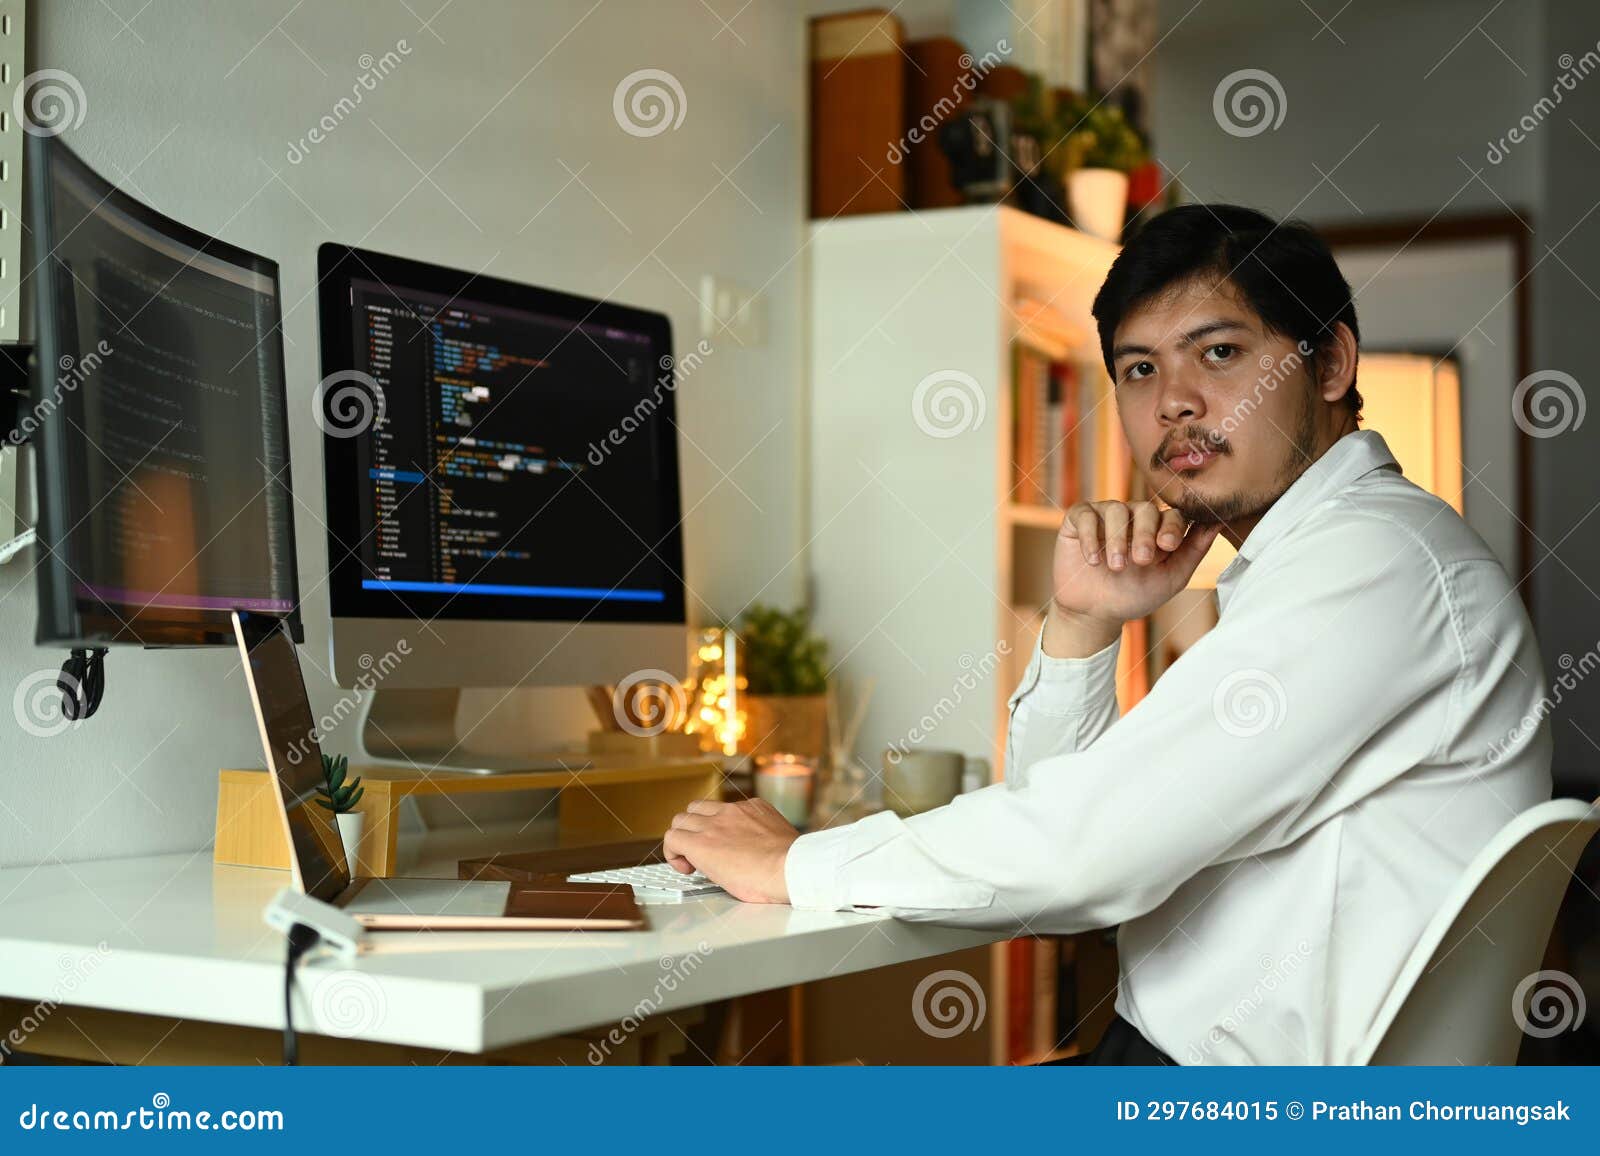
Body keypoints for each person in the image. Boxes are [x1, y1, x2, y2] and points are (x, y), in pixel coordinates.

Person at [662, 204, 1553, 1064]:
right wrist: (1084, 623)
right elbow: (1074, 830)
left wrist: (798, 865)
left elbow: (1080, 858)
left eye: (1220, 353)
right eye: (1138, 370)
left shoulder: (1374, 562)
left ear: (1328, 366)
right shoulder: (1318, 560)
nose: (1174, 402)